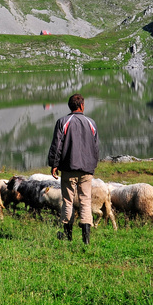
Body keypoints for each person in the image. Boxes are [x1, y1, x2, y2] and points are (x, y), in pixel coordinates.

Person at [48, 93, 100, 245]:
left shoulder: (63, 121)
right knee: (85, 201)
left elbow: (57, 145)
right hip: (87, 170)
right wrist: (92, 165)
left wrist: (54, 164)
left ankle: (68, 236)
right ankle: (86, 239)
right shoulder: (91, 122)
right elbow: (96, 148)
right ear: (82, 106)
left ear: (70, 106)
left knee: (68, 201)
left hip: (69, 168)